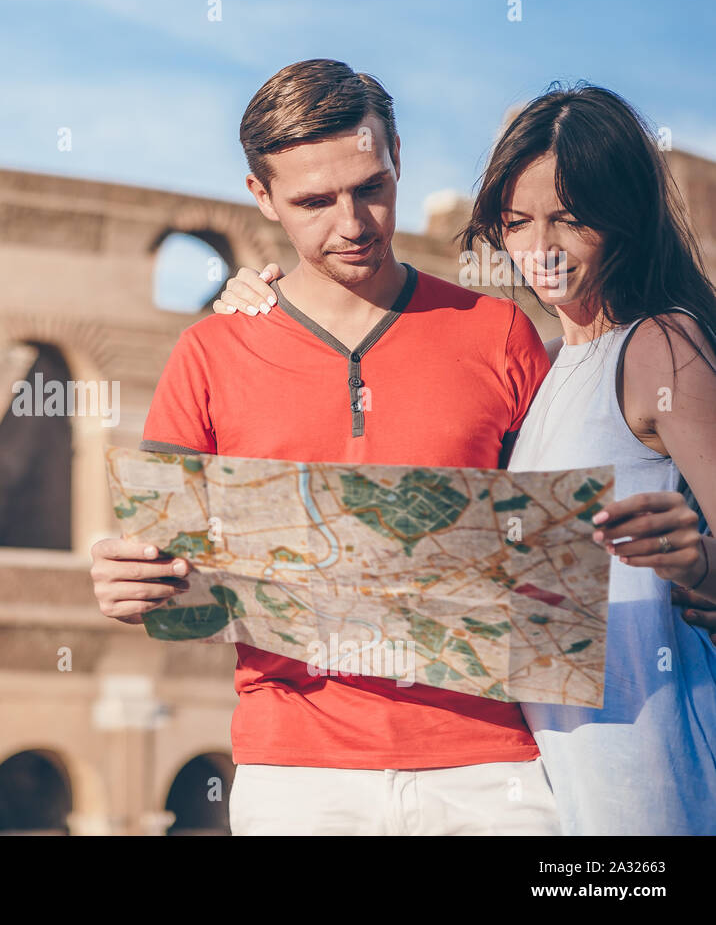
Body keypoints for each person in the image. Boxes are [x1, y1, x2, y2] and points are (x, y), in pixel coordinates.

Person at [211, 83, 716, 834]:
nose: (540, 249)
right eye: (516, 222)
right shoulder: (547, 363)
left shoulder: (663, 347)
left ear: (626, 215)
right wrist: (273, 300)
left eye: (570, 219)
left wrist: (698, 564)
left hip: (642, 747)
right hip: (549, 757)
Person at [91, 59, 561, 834]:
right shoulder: (209, 355)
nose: (352, 224)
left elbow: (554, 559)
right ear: (261, 198)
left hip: (492, 770)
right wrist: (128, 585)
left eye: (370, 187)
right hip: (297, 779)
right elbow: (168, 574)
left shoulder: (499, 334)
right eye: (313, 201)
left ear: (398, 158)